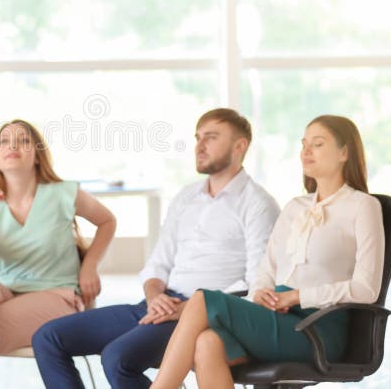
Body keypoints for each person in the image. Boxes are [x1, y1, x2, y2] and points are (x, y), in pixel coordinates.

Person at [32, 108, 280, 389]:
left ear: (239, 146)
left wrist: (191, 308)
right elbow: (158, 263)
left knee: (118, 358)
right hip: (160, 303)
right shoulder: (187, 197)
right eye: (197, 137)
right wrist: (154, 296)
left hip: (205, 315)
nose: (199, 146)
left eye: (211, 137)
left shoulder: (258, 204)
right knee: (48, 338)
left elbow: (257, 283)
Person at [149, 115, 385, 389]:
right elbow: (267, 269)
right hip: (277, 318)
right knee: (207, 342)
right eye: (304, 144)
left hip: (317, 328)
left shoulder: (363, 206)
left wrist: (296, 296)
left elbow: (367, 289)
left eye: (318, 144)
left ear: (344, 152)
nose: (306, 152)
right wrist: (259, 294)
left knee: (202, 299)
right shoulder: (295, 207)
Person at [0, 119, 117, 389]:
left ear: (38, 156)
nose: (13, 146)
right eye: (4, 141)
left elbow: (107, 221)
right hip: (8, 295)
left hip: (58, 297)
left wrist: (90, 266)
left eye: (24, 140)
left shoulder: (64, 193)